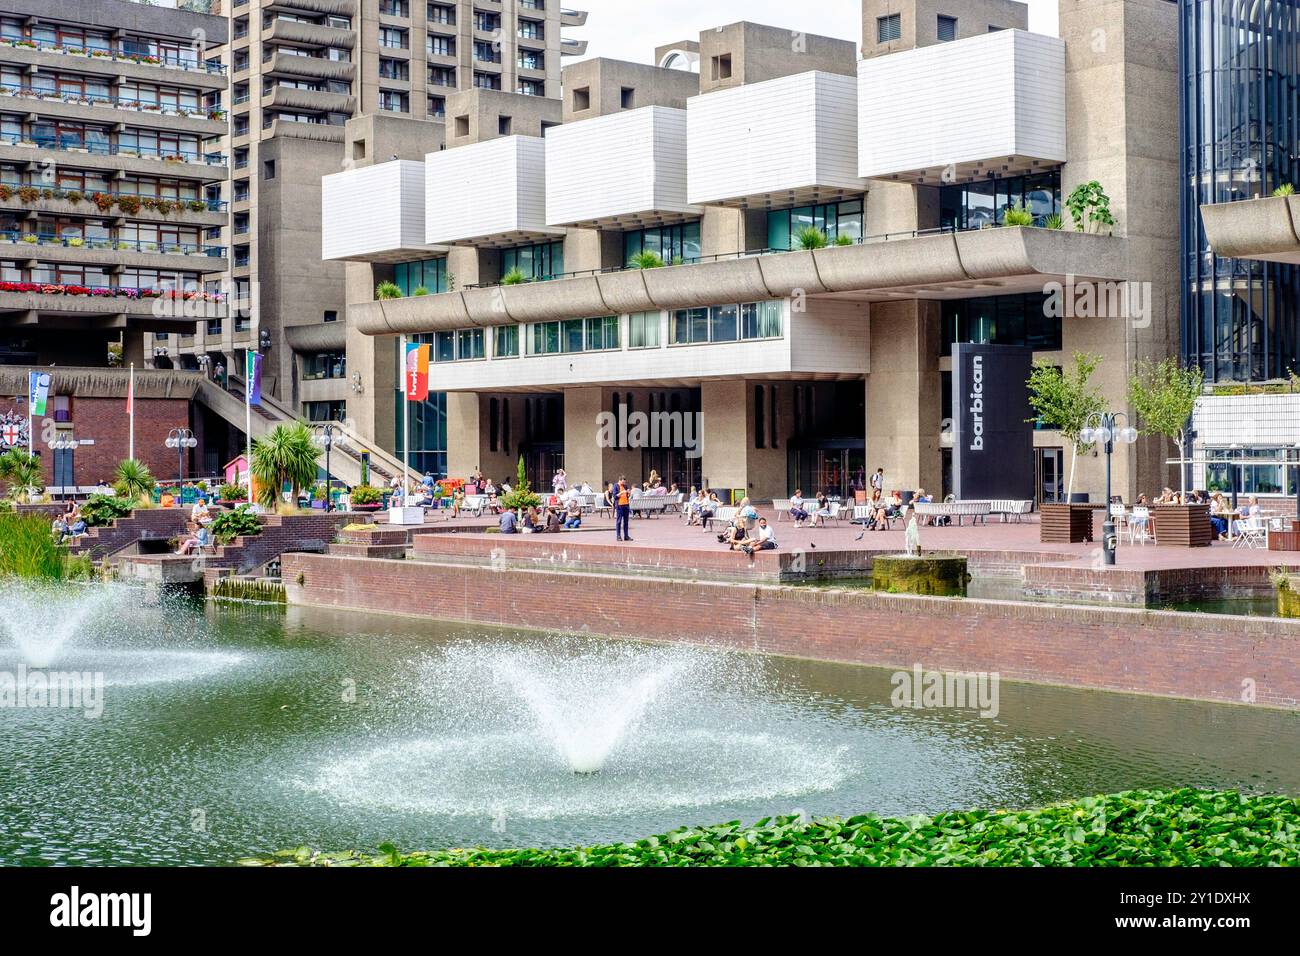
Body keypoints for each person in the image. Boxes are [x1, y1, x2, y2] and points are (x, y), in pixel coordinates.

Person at [614, 475, 632, 542]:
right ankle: (618, 536)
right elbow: (615, 496)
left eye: (625, 482)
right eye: (623, 482)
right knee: (619, 521)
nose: (624, 483)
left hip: (626, 505)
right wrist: (621, 492)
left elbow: (627, 496)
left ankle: (626, 536)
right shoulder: (616, 486)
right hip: (619, 505)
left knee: (626, 521)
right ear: (620, 480)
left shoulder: (625, 486)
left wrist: (629, 493)